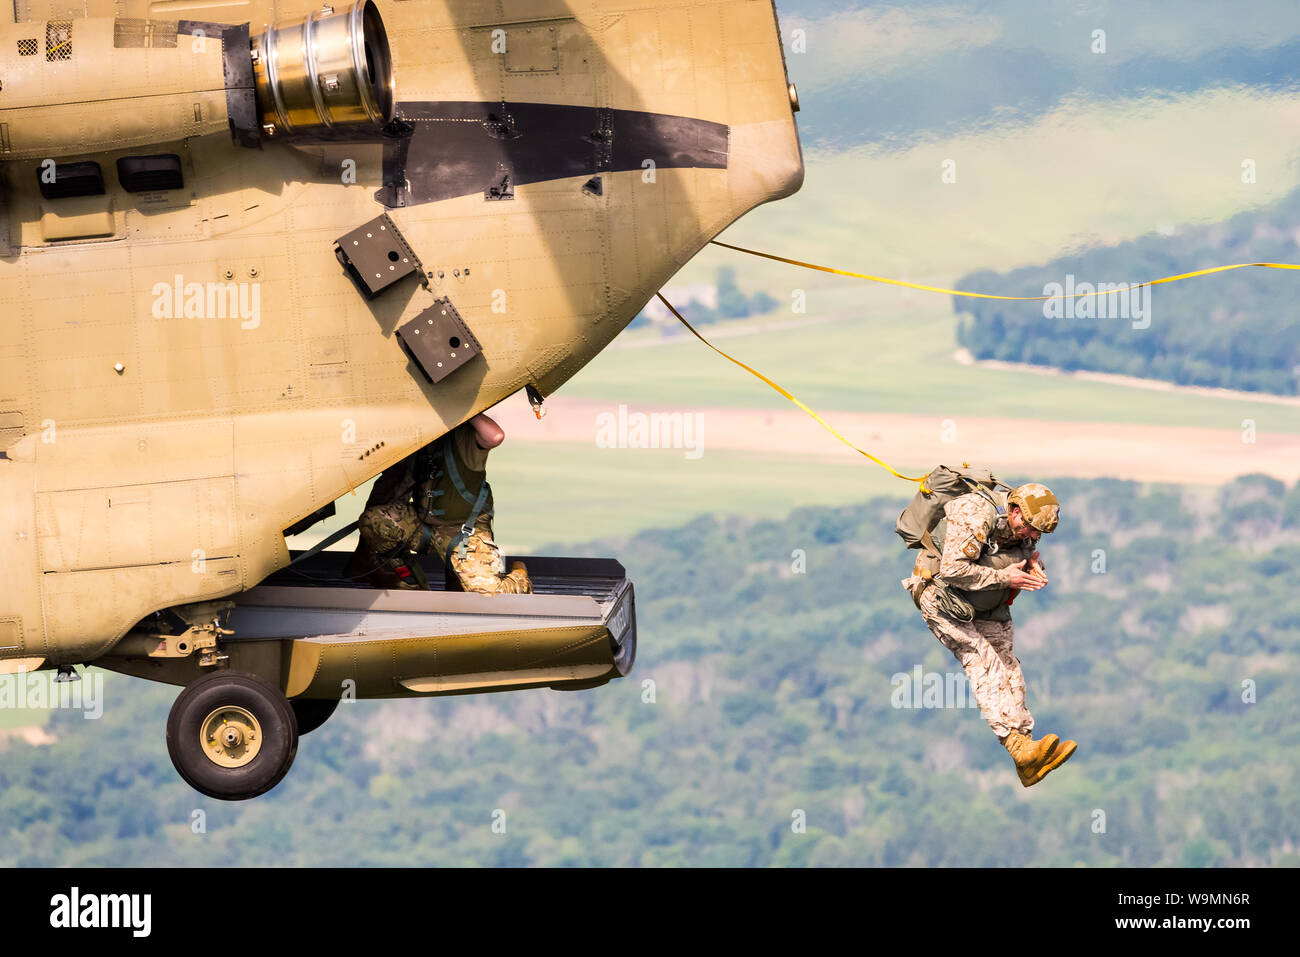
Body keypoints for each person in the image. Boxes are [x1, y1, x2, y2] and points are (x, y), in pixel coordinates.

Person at [902, 482, 1076, 787]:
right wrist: (1004, 576)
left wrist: (1034, 563)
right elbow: (953, 569)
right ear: (1016, 511)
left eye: (1039, 534)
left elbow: (1009, 554)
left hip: (981, 602)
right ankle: (1016, 744)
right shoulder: (976, 513)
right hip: (942, 598)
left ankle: (1027, 755)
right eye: (1033, 529)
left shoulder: (1018, 526)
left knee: (1009, 668)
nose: (1034, 537)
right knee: (983, 659)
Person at [346, 413, 532, 595]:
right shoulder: (420, 442)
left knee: (489, 594)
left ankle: (519, 576)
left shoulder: (463, 438)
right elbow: (391, 493)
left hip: (465, 534)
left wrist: (461, 408)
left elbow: (494, 436)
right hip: (426, 529)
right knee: (373, 520)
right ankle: (411, 584)